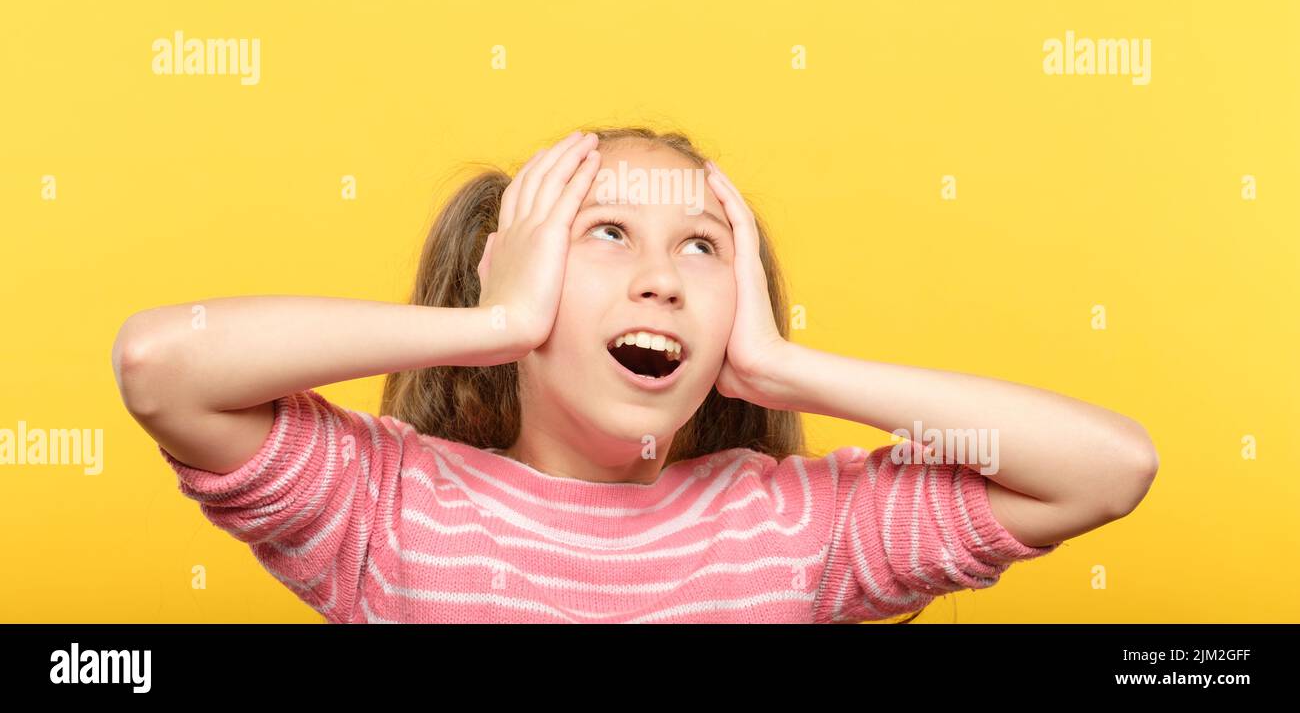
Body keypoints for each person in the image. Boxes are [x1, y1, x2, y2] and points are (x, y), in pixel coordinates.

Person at [112, 126, 1158, 623]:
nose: (660, 278)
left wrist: (784, 368)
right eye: (606, 232)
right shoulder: (388, 505)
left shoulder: (795, 525)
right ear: (514, 262)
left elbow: (1106, 467)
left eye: (701, 246)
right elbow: (163, 364)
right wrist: (492, 321)